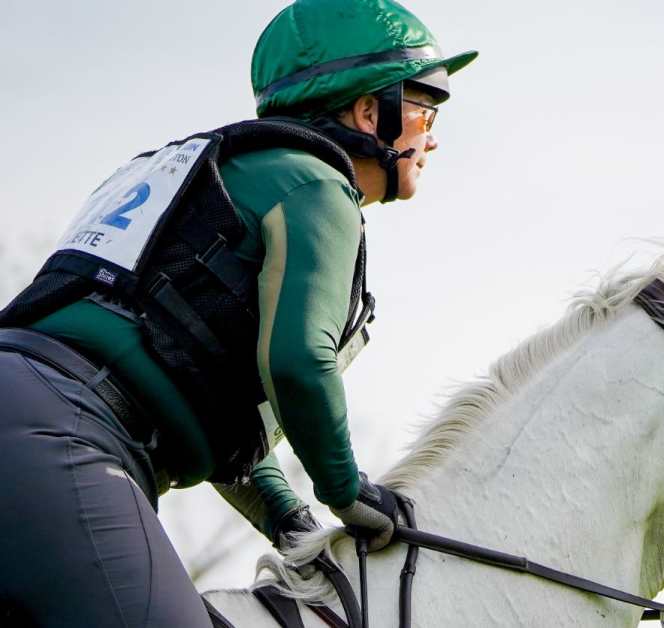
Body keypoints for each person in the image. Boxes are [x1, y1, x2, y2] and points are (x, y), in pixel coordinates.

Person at [0, 1, 476, 625]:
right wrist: (350, 493)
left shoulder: (202, 176)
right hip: (63, 436)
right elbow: (300, 362)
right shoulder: (315, 186)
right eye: (424, 107)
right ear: (370, 110)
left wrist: (289, 518)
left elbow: (198, 394)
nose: (432, 134)